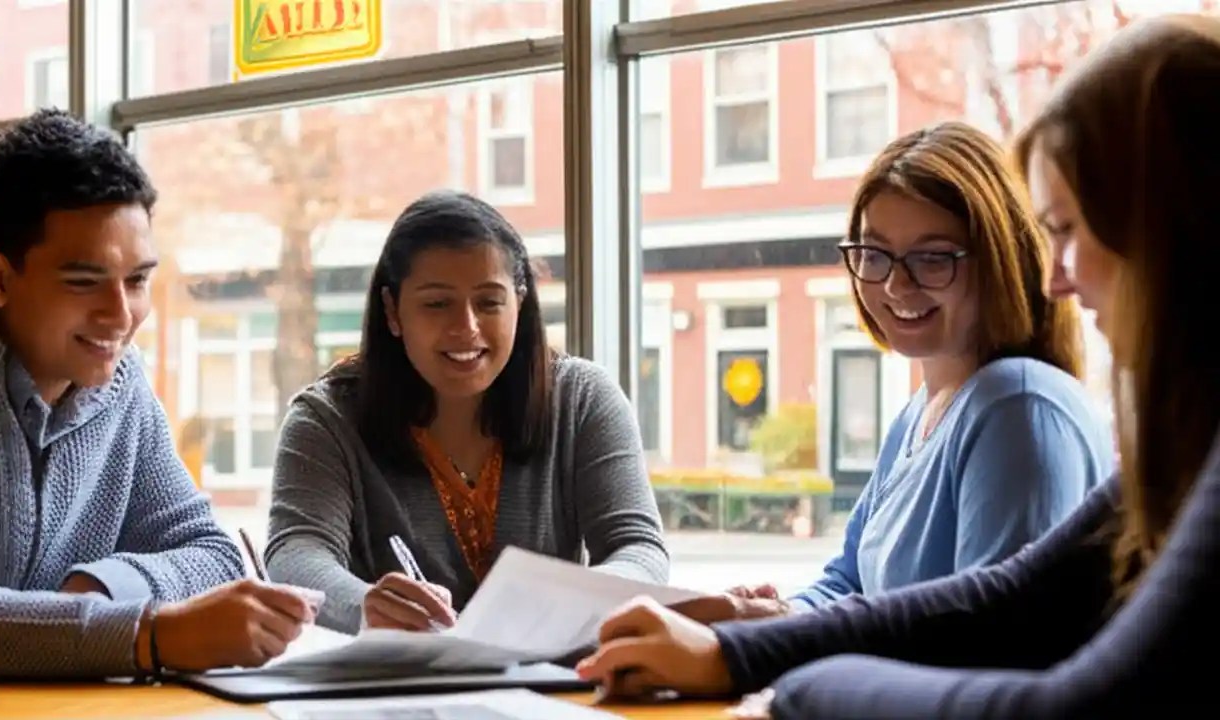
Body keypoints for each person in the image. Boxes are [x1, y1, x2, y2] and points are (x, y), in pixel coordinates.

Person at [575, 13, 1220, 717]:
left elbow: (1059, 688)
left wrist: (793, 685)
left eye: (1067, 230)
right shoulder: (1178, 442)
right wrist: (739, 646)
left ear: (1168, 226)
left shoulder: (1022, 404)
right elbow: (1009, 594)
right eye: (876, 255)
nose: (1058, 277)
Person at [682, 121, 1113, 624]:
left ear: (1001, 260)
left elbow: (990, 640)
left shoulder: (1017, 408)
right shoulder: (922, 411)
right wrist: (764, 617)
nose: (895, 285)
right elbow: (849, 582)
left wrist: (764, 647)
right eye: (874, 253)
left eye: (932, 259)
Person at [0, 109, 320, 679]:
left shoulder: (120, 379)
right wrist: (146, 634)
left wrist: (100, 587)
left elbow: (211, 554)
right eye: (83, 281)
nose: (120, 316)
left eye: (138, 280)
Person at [265, 190, 670, 634]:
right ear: (392, 311)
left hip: (552, 683)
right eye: (437, 303)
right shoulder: (325, 421)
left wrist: (574, 602)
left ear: (519, 302)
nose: (467, 327)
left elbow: (639, 547)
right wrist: (366, 606)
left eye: (489, 302)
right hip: (394, 684)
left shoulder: (584, 399)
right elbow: (296, 553)